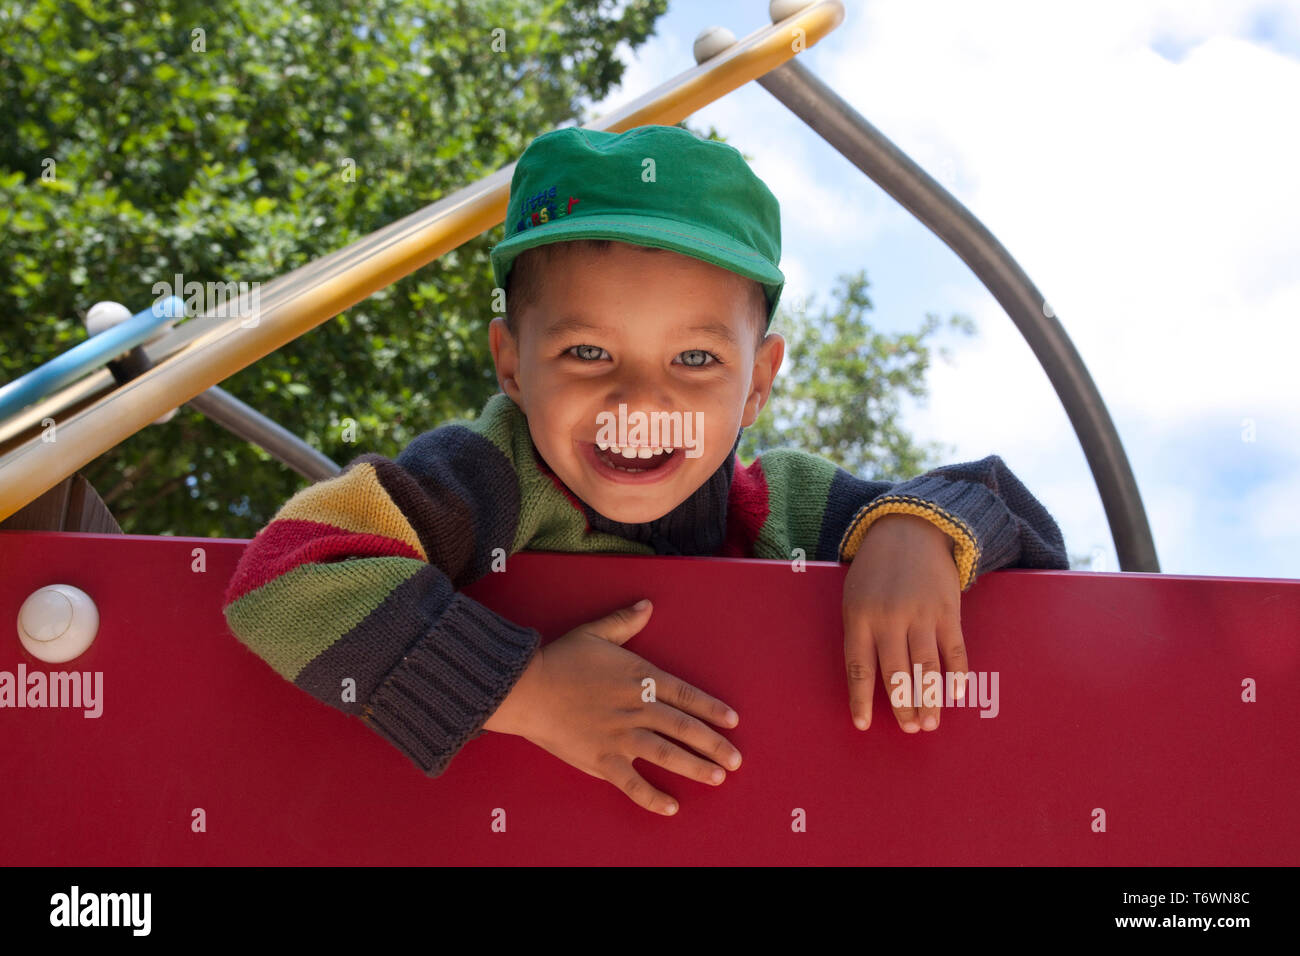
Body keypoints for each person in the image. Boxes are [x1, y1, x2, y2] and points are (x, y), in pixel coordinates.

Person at [222, 124, 1068, 816]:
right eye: (587, 352)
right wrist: (527, 692)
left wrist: (916, 533)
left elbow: (1027, 540)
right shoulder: (483, 476)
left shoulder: (784, 508)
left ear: (758, 385)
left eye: (695, 359)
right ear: (512, 366)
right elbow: (285, 575)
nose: (639, 399)